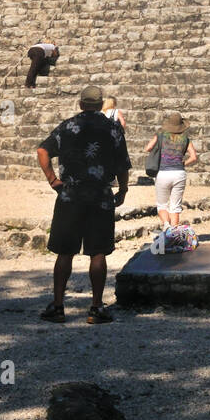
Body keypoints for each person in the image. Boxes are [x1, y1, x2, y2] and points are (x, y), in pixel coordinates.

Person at [36, 84, 131, 324]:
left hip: (70, 196)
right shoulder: (112, 128)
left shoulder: (68, 126)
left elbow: (42, 151)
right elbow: (122, 164)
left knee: (65, 252)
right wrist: (123, 189)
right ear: (101, 106)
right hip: (100, 197)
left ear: (80, 104)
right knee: (98, 252)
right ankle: (96, 308)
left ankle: (58, 306)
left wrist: (53, 181)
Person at [143, 113, 198, 229]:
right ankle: (174, 232)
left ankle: (167, 226)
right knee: (175, 206)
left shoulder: (160, 135)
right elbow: (193, 157)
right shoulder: (186, 139)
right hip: (179, 173)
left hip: (163, 173)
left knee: (162, 205)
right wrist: (183, 163)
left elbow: (147, 148)